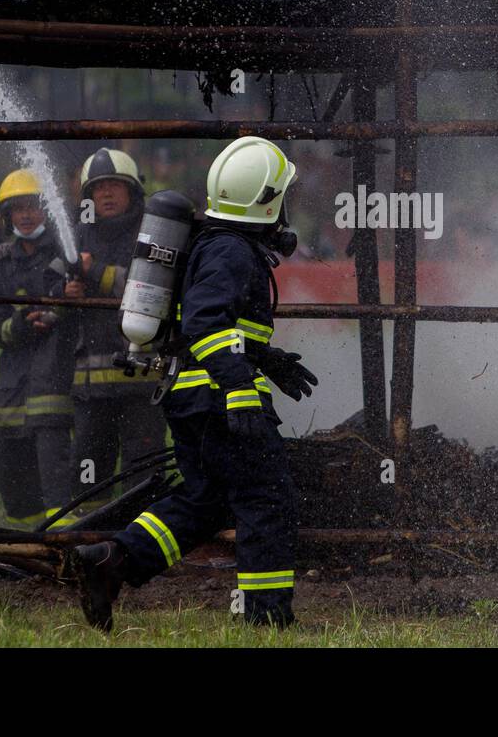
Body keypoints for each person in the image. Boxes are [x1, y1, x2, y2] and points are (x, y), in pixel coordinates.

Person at [70, 137, 317, 630]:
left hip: (193, 396)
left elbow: (215, 325)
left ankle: (113, 560)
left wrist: (269, 359)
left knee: (204, 500)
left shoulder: (219, 245)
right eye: (282, 196)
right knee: (266, 498)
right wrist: (241, 390)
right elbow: (205, 322)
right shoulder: (231, 250)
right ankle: (268, 620)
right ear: (267, 201)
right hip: (218, 398)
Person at [66, 148, 167, 510]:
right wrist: (65, 292)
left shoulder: (152, 235)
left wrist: (95, 272)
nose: (106, 193)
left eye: (114, 186)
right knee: (89, 470)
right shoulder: (78, 234)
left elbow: (150, 291)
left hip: (142, 381)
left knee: (143, 468)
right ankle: (90, 541)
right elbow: (49, 285)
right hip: (92, 385)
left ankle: (142, 541)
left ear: (132, 191)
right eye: (99, 187)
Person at [0, 169, 79, 528]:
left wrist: (58, 312)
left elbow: (77, 305)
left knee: (54, 464)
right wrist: (19, 326)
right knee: (9, 463)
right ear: (7, 216)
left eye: (34, 207)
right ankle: (27, 544)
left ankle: (64, 543)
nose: (25, 215)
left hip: (54, 376)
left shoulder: (67, 254)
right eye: (18, 209)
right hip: (11, 386)